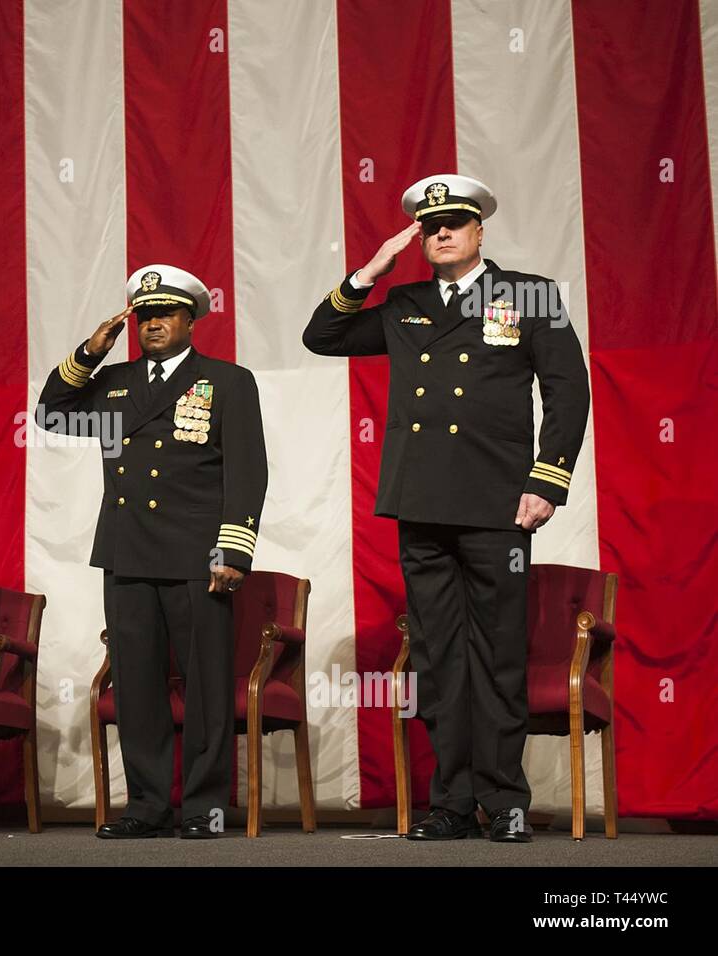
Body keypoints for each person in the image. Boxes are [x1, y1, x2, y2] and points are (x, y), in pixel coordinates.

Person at [302, 174, 591, 842]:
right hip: (422, 502)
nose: (440, 233)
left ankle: (506, 798)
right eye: (430, 227)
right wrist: (370, 270)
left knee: (498, 656)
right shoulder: (404, 304)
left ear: (479, 228)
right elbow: (323, 335)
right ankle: (452, 802)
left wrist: (547, 481)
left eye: (454, 222)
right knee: (437, 662)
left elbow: (566, 390)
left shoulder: (527, 294)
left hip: (499, 504)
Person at [37, 264, 268, 839]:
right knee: (137, 686)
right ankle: (145, 805)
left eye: (166, 312)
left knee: (206, 688)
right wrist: (89, 353)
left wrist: (234, 550)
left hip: (198, 555)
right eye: (145, 315)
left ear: (191, 318)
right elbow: (50, 411)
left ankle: (204, 806)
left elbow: (248, 471)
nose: (154, 323)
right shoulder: (114, 384)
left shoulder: (227, 381)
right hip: (128, 551)